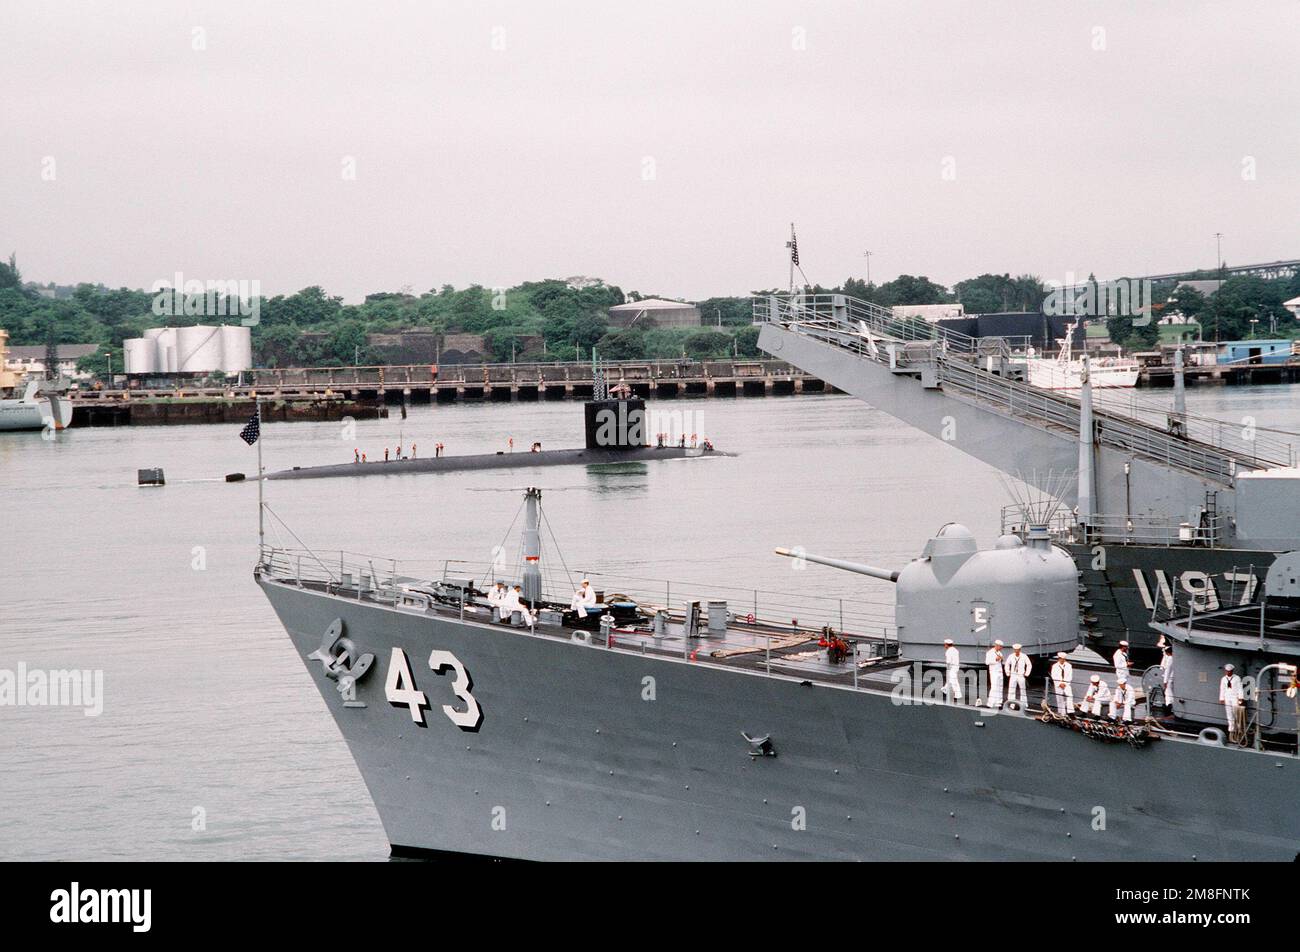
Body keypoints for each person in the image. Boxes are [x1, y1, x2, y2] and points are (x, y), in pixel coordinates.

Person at [1219, 663, 1245, 740]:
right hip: (1227, 697)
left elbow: (1240, 688)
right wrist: (1221, 698)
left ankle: (1239, 729)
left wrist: (1240, 697)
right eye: (1227, 671)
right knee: (1229, 713)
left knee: (1236, 712)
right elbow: (1222, 689)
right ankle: (1231, 730)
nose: (1228, 672)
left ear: (1232, 671)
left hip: (1234, 697)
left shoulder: (1237, 678)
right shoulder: (1223, 679)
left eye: (1229, 671)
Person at [1004, 643, 1031, 710]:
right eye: (1015, 650)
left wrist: (1027, 673)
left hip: (1020, 675)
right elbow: (1007, 664)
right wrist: (1008, 672)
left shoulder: (1024, 656)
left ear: (1020, 649)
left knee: (1023, 690)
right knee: (1011, 690)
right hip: (1013, 675)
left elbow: (1029, 664)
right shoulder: (1011, 656)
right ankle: (1011, 704)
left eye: (1017, 650)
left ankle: (1024, 704)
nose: (1016, 651)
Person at [1050, 652, 1073, 716]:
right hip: (1058, 684)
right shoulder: (1054, 666)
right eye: (1061, 659)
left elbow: (1070, 676)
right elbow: (1053, 676)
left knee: (1069, 696)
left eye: (1064, 659)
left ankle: (1070, 712)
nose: (1063, 660)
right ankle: (1062, 712)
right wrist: (1059, 683)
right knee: (1060, 699)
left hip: (1066, 684)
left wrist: (1065, 683)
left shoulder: (1069, 666)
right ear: (1059, 658)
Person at [984, 639, 1005, 709]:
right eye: (1000, 646)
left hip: (999, 671)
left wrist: (1001, 659)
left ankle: (998, 702)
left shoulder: (1000, 653)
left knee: (1000, 687)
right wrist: (995, 659)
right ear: (997, 645)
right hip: (994, 672)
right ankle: (990, 703)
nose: (1001, 648)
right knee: (994, 687)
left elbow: (1000, 661)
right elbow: (987, 662)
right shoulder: (990, 653)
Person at [943, 639, 962, 704]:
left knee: (953, 681)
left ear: (946, 645)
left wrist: (947, 669)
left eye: (945, 644)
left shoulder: (948, 651)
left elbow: (948, 662)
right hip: (956, 667)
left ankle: (957, 695)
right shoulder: (955, 650)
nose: (944, 645)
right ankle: (945, 690)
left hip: (951, 668)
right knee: (951, 680)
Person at [1160, 645, 1175, 710]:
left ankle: (1168, 704)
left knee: (1167, 691)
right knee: (1171, 691)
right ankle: (1171, 703)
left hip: (1169, 678)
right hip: (1174, 677)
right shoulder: (1175, 658)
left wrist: (1165, 681)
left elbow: (1167, 670)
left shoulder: (1170, 659)